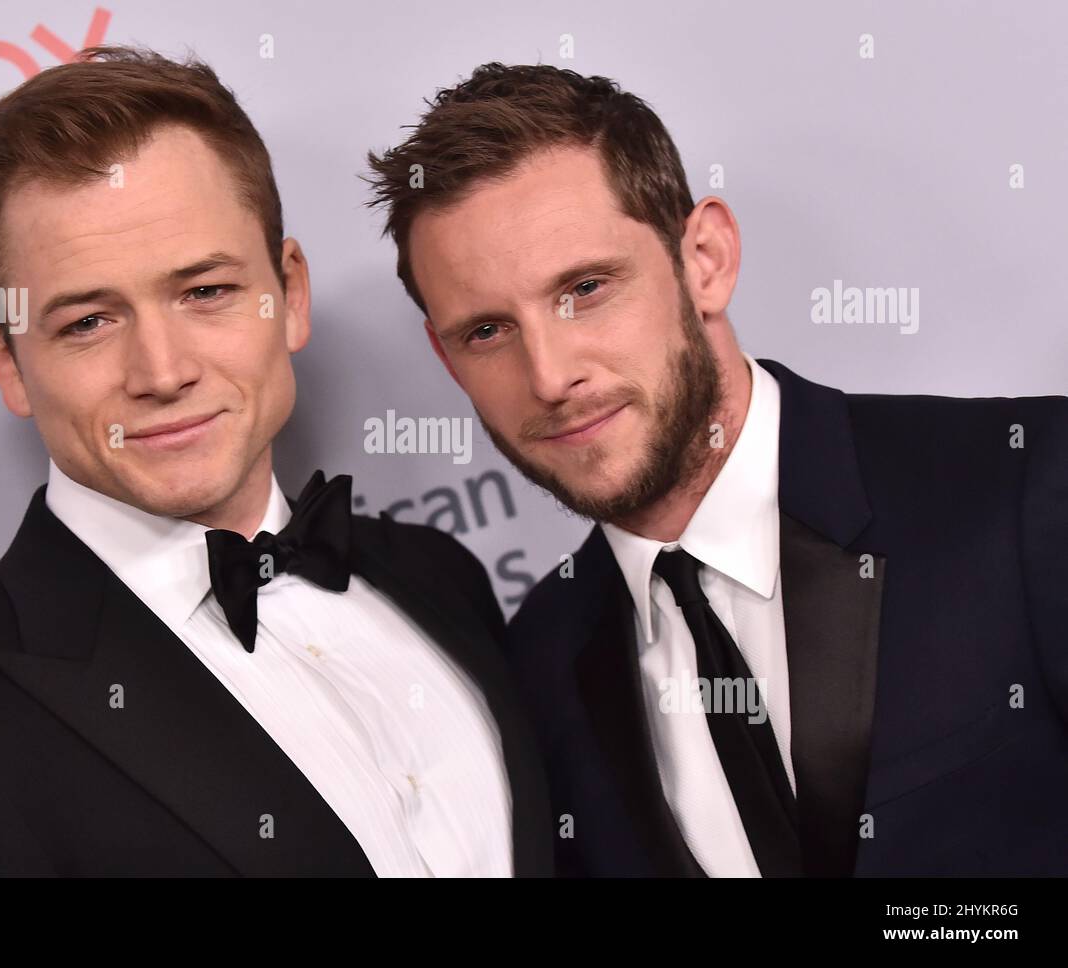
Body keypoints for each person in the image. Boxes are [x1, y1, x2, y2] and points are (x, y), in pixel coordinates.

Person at [0, 47, 552, 877]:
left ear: (290, 293)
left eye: (205, 292)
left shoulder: (438, 574)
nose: (163, 372)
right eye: (88, 321)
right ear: (9, 362)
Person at [365, 62, 1068, 876]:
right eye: (486, 331)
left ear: (705, 259)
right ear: (445, 358)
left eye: (586, 288)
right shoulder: (541, 667)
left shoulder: (1022, 489)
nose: (551, 377)